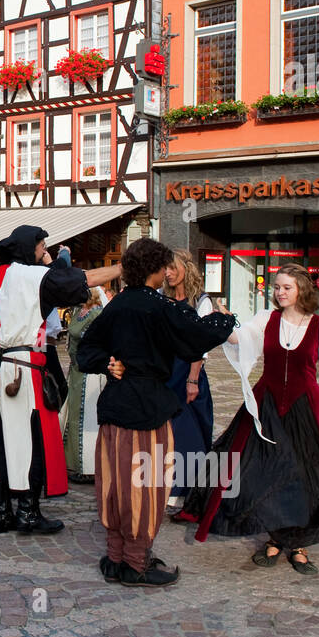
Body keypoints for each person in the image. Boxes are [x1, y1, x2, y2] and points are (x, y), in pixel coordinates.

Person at [182, 262, 319, 574]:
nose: (280, 292)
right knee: (268, 470)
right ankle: (276, 538)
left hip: (304, 407)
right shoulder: (267, 319)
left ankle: (297, 542)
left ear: (301, 289)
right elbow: (240, 340)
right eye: (277, 287)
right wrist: (217, 322)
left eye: (286, 287)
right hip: (268, 405)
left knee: (302, 474)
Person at [75, 238, 236, 587]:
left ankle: (115, 557)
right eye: (164, 266)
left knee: (114, 484)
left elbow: (85, 350)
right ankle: (135, 563)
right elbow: (197, 337)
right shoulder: (161, 307)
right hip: (146, 408)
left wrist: (107, 363)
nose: (167, 272)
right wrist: (226, 320)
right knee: (144, 486)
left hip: (115, 405)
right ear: (155, 270)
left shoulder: (116, 307)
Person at [0, 225, 121, 536]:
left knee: (3, 441)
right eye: (41, 247)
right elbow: (85, 280)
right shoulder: (32, 276)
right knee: (32, 440)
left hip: (2, 365)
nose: (43, 251)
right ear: (28, 249)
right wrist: (125, 267)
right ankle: (28, 513)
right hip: (26, 366)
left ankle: (1, 512)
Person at [163, 249, 216, 509]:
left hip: (188, 372)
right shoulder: (163, 298)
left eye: (173, 268)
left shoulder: (200, 301)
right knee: (167, 433)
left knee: (190, 433)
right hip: (167, 371)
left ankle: (188, 490)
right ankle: (167, 486)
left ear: (186, 267)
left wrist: (193, 379)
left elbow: (201, 344)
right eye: (166, 269)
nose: (169, 273)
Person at [63, 287, 106, 485]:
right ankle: (74, 463)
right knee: (74, 415)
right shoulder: (77, 312)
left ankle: (89, 466)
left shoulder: (96, 313)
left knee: (86, 417)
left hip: (89, 372)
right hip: (76, 370)